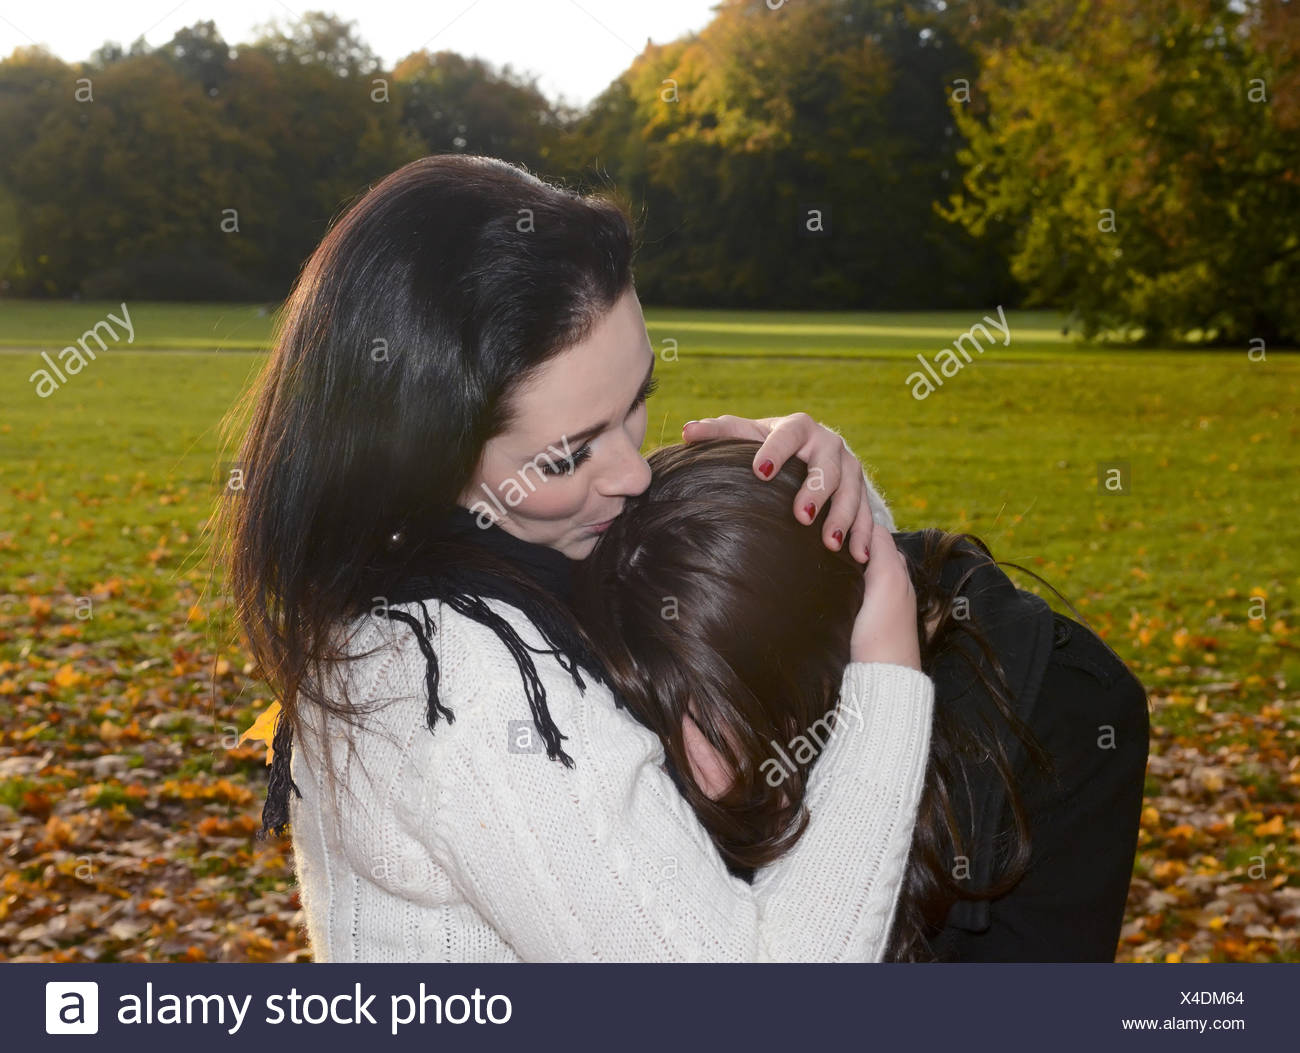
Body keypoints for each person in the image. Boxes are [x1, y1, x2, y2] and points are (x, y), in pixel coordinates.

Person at [218, 153, 935, 962]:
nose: (634, 473)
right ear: (426, 455)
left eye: (636, 404)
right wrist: (887, 674)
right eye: (566, 457)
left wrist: (823, 497)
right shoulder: (467, 686)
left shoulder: (433, 589)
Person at [571, 438, 1151, 962]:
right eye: (657, 724)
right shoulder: (590, 675)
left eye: (726, 721)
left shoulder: (1065, 715)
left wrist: (883, 710)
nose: (702, 781)